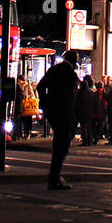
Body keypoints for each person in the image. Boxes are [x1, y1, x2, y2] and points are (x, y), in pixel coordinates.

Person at [36, 51, 78, 189]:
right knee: (62, 145)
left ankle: (54, 177)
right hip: (64, 113)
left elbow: (40, 86)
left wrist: (45, 102)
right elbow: (71, 98)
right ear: (74, 60)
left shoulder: (54, 69)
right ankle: (54, 178)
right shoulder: (71, 74)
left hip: (53, 111)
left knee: (59, 144)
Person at [74, 76, 99, 146]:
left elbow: (77, 103)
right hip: (90, 112)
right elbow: (95, 103)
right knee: (89, 126)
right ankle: (90, 140)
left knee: (84, 127)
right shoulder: (91, 93)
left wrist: (76, 112)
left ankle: (85, 141)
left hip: (82, 112)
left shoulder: (79, 93)